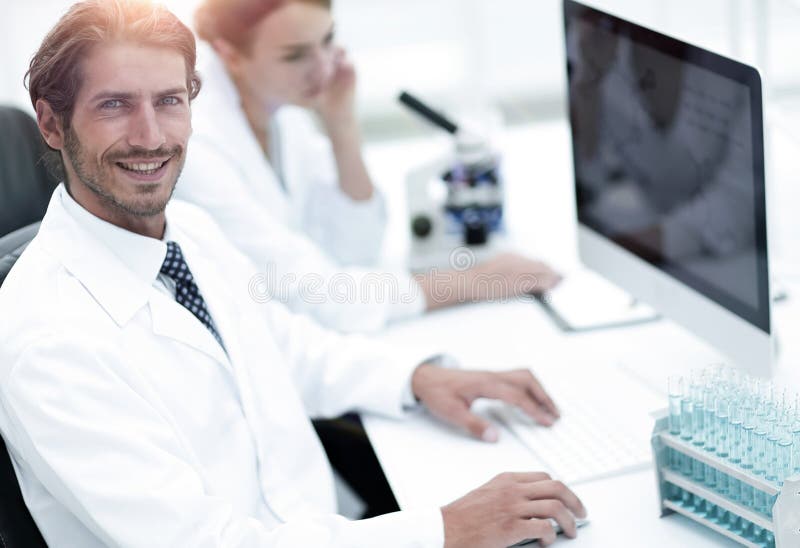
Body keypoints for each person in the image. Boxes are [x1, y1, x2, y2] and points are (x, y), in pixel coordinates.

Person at [0, 2, 587, 547]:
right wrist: (443, 530)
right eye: (115, 105)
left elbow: (279, 346)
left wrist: (414, 379)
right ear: (51, 123)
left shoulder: (189, 231)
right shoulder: (47, 341)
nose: (151, 136)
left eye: (169, 101)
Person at [176, 0, 562, 333]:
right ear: (229, 55)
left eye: (327, 42)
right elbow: (316, 296)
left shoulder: (279, 109)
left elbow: (353, 251)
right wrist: (475, 282)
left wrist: (342, 125)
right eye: (295, 55)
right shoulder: (197, 146)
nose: (323, 68)